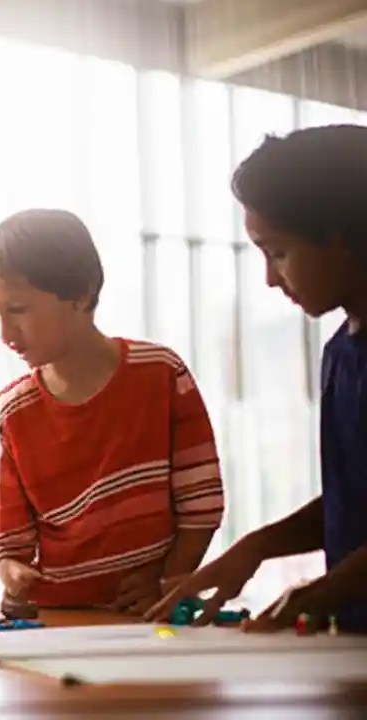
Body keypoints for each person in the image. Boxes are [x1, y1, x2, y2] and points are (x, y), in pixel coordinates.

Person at [148, 125, 367, 632]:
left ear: (339, 236)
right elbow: (353, 501)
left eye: (278, 252)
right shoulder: (340, 352)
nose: (270, 277)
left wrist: (314, 593)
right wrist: (258, 547)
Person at [0, 209, 225, 614]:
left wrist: (167, 581)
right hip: (61, 619)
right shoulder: (11, 411)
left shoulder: (160, 373)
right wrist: (12, 574)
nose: (3, 333)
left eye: (18, 309)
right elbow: (7, 539)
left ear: (82, 293)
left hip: (154, 615)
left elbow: (202, 502)